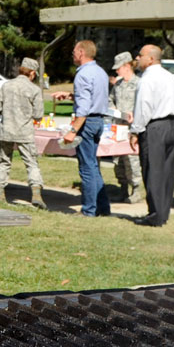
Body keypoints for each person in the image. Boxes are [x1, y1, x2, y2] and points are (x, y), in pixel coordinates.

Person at [130, 45, 174, 227]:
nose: (137, 58)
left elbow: (144, 108)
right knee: (167, 171)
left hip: (155, 126)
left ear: (151, 59)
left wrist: (136, 130)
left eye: (141, 55)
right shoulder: (170, 77)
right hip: (172, 124)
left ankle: (155, 213)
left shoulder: (147, 79)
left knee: (153, 169)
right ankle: (163, 211)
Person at [59, 40, 111, 217]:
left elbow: (84, 108)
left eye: (74, 51)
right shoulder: (100, 72)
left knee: (86, 168)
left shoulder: (82, 75)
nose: (72, 54)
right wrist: (71, 95)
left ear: (81, 52)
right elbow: (92, 97)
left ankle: (89, 210)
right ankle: (103, 207)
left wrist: (72, 131)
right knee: (93, 166)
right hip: (98, 122)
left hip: (86, 123)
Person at [0, 58, 47, 207]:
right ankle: (36, 193)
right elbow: (38, 115)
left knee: (3, 162)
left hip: (6, 131)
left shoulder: (6, 86)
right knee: (31, 163)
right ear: (33, 73)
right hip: (25, 132)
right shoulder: (34, 90)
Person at [109, 51, 144, 204]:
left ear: (127, 66)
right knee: (118, 159)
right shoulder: (117, 84)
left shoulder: (139, 83)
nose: (117, 71)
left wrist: (133, 114)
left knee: (132, 159)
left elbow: (144, 105)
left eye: (119, 68)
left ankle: (136, 189)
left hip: (133, 128)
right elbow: (109, 100)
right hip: (118, 126)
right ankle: (122, 188)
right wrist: (116, 111)